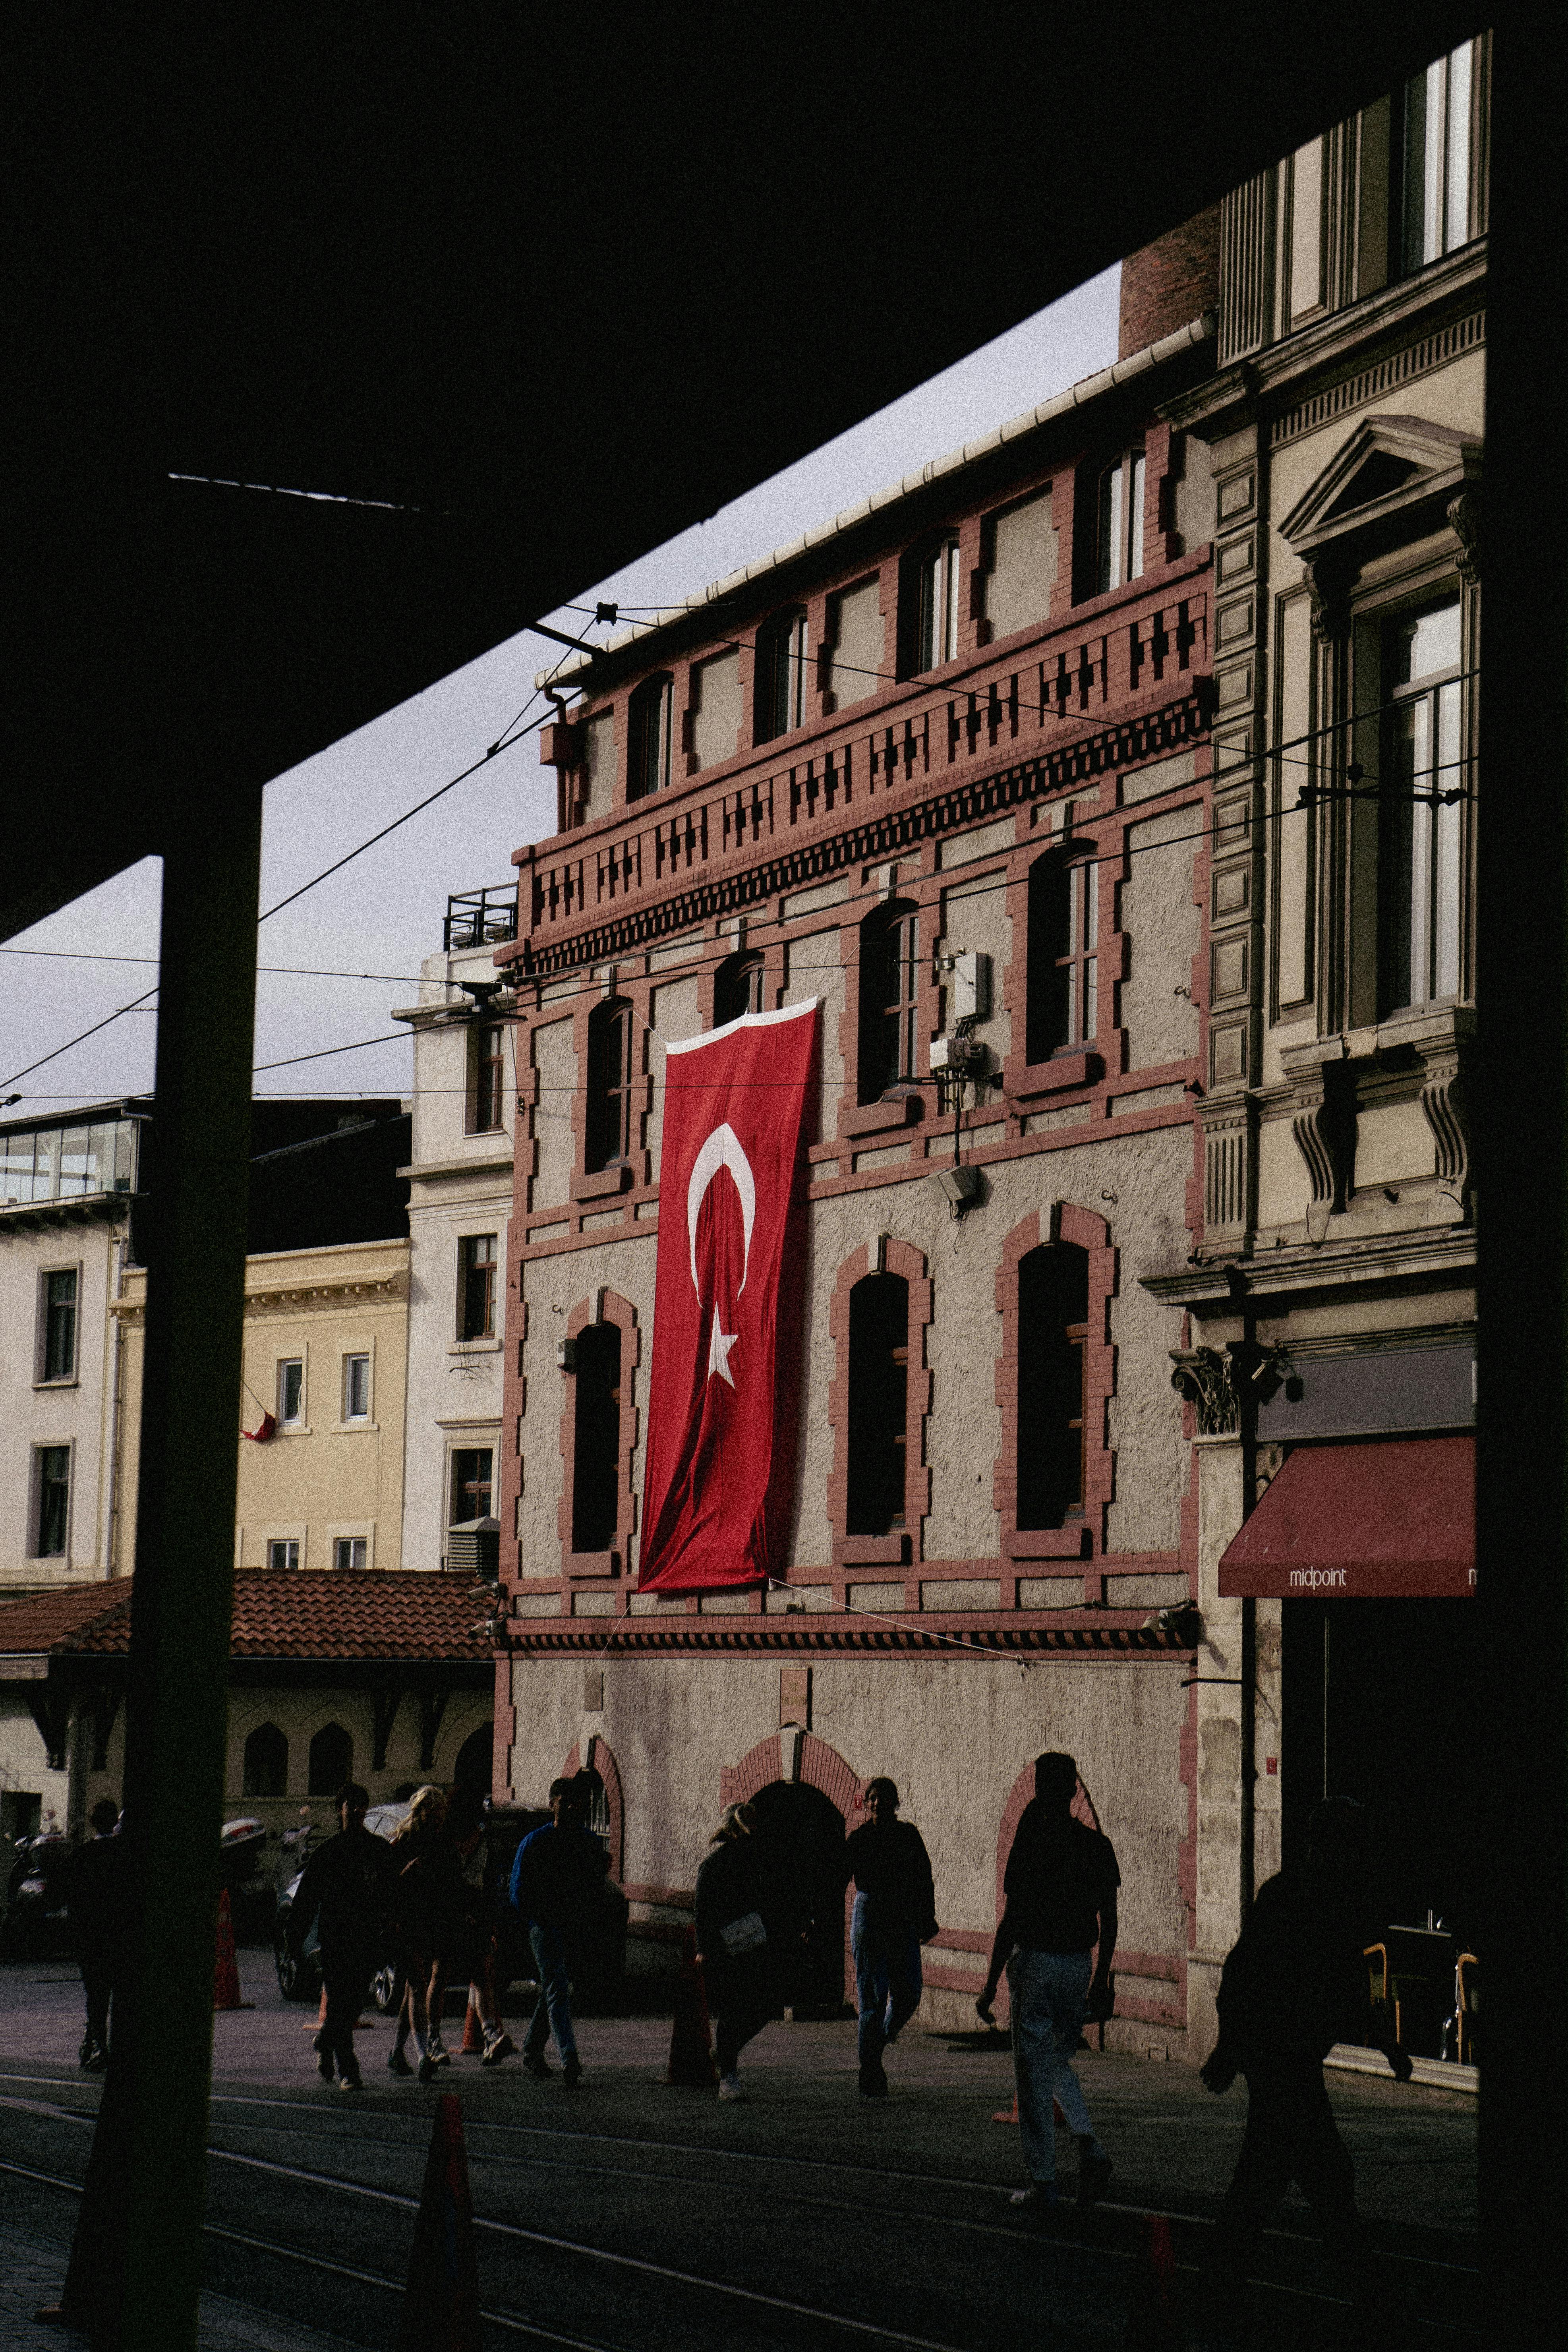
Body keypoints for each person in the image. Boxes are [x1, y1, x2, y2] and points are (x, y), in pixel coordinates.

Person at [1199, 1797, 1411, 2321]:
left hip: (1282, 2057)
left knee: (1274, 2176)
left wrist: (1384, 2042)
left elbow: (1342, 1984)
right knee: (1316, 2177)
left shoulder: (1302, 1894)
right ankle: (1369, 2297)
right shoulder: (1311, 1898)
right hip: (1282, 2058)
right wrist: (1228, 2048)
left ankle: (1221, 2287)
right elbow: (1245, 1974)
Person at [976, 1752, 1118, 2215]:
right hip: (1078, 1962)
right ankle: (1088, 2144)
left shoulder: (1031, 1842)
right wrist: (1101, 1977)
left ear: (1040, 1788)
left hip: (1036, 1962)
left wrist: (989, 1981)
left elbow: (1012, 1916)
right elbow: (1110, 1919)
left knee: (1032, 2074)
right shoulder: (1096, 1846)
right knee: (1057, 2059)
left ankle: (1043, 2180)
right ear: (1074, 1789)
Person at [286, 1781, 398, 2091]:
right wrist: (296, 1942)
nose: (358, 1811)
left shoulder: (377, 1851)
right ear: (341, 1810)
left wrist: (392, 1925)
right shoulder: (328, 1854)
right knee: (338, 2002)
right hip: (336, 1938)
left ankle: (325, 2039)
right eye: (352, 1805)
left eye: (363, 1805)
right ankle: (349, 2070)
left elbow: (392, 1892)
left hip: (367, 1938)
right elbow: (306, 1900)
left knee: (352, 2005)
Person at [507, 1777, 609, 2087]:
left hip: (575, 1926)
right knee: (557, 1988)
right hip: (545, 1926)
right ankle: (569, 2057)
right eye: (562, 1800)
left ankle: (532, 2050)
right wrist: (535, 1918)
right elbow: (518, 1889)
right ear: (552, 1803)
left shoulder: (589, 1843)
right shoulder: (535, 1841)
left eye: (573, 1801)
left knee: (556, 1988)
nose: (568, 1806)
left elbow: (596, 1886)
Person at [841, 1778, 938, 2098]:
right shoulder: (860, 1839)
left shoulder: (908, 1836)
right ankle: (870, 2069)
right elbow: (837, 1877)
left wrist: (927, 1918)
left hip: (902, 1916)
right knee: (872, 1997)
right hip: (869, 1918)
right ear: (865, 1804)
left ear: (895, 1803)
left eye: (883, 1798)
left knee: (909, 1991)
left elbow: (924, 1878)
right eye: (871, 1798)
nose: (876, 1803)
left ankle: (880, 2041)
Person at [694, 1802, 779, 2101]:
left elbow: (771, 1898)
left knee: (767, 2004)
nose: (755, 1830)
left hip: (755, 1941)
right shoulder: (716, 1864)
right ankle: (728, 2077)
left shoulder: (758, 1860)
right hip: (724, 1946)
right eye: (748, 1825)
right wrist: (703, 1949)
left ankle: (725, 2051)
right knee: (733, 2008)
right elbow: (702, 1910)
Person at [425, 1793, 514, 2068]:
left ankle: (490, 2037)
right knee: (440, 1975)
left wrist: (488, 1919)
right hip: (449, 1915)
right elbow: (441, 1883)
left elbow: (490, 1883)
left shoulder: (484, 1842)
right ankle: (433, 2038)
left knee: (482, 1975)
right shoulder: (443, 1841)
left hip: (475, 1915)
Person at [387, 1785, 449, 2082]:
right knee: (416, 1984)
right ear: (419, 1811)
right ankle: (424, 2054)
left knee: (413, 1987)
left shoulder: (441, 1844)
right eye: (431, 1811)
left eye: (441, 1812)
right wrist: (405, 1873)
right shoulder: (402, 1843)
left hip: (430, 1921)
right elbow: (387, 1885)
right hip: (406, 1922)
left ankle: (398, 2051)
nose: (437, 1817)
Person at [68, 1799, 125, 2070]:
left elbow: (74, 1902)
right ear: (115, 1821)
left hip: (92, 1939)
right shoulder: (126, 1855)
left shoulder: (83, 1856)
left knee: (97, 1997)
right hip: (121, 1936)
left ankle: (101, 2046)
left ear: (93, 1822)